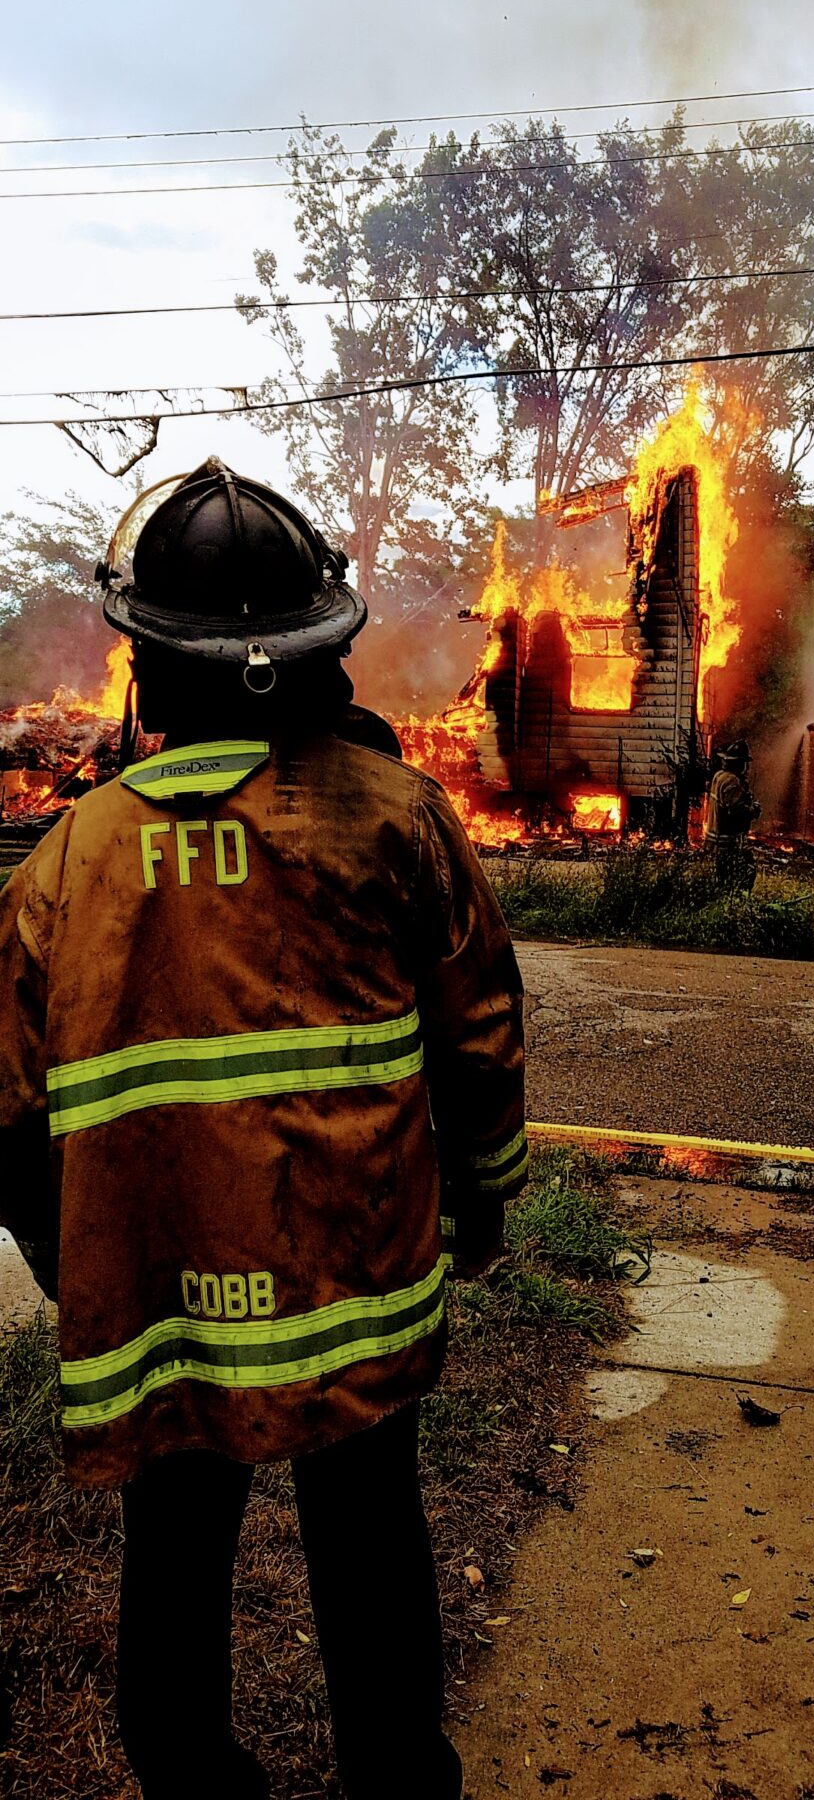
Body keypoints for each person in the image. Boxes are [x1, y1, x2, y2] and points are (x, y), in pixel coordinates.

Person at [0, 460, 526, 1800]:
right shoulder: (398, 820)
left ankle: (192, 1779)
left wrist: (71, 1259)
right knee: (370, 1536)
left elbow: (6, 1105)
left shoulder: (70, 857)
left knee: (174, 1550)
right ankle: (396, 1777)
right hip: (359, 1283)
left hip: (167, 1298)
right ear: (319, 652)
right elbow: (479, 1031)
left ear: (145, 669)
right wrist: (487, 1197)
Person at [703, 738, 760, 892]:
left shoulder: (719, 776)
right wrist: (753, 810)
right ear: (740, 763)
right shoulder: (732, 782)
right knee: (747, 872)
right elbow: (737, 812)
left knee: (723, 877)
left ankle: (722, 900)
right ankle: (734, 904)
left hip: (715, 841)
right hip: (727, 842)